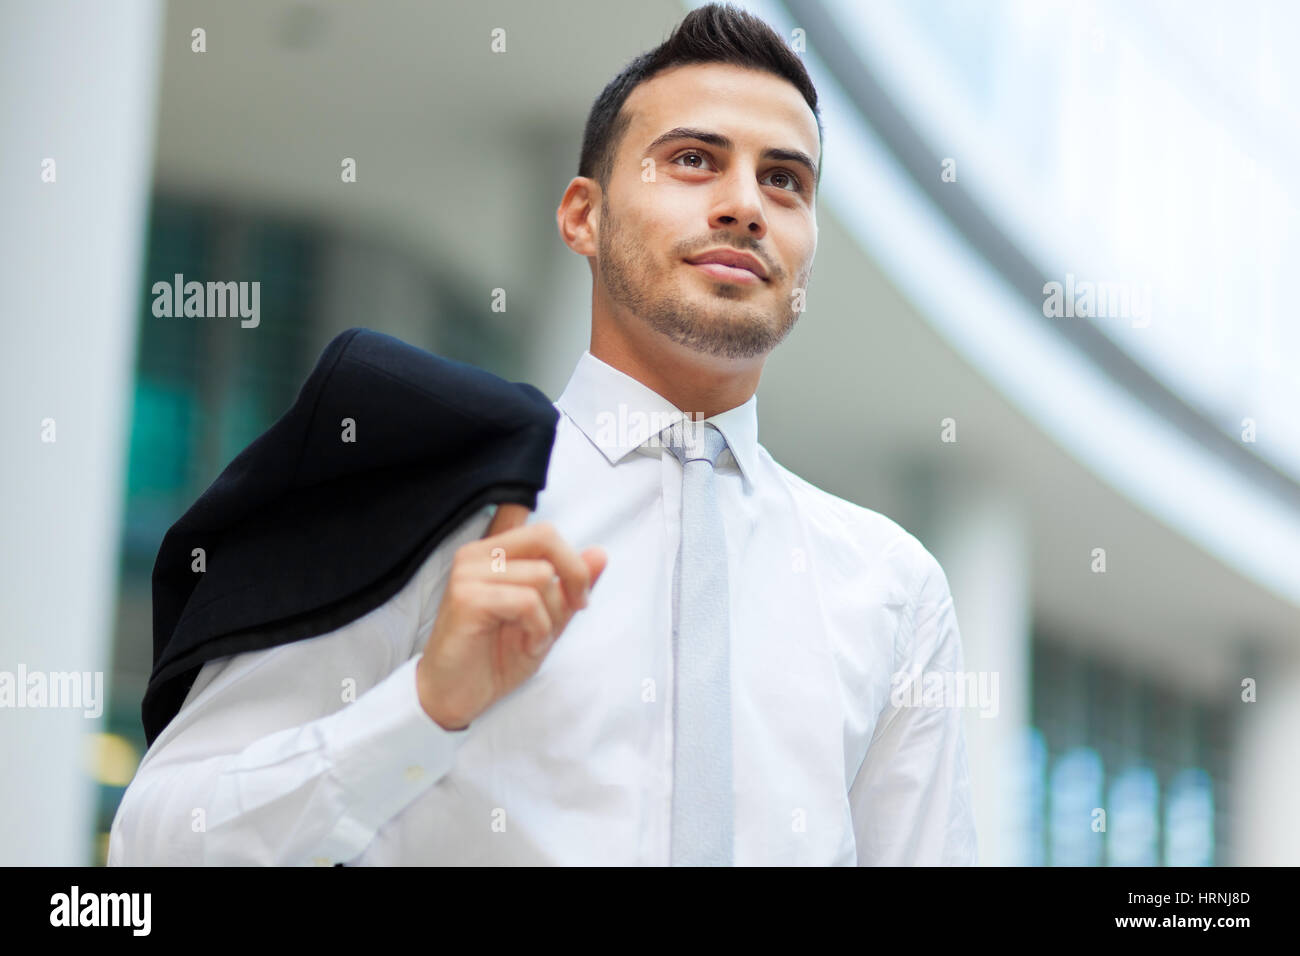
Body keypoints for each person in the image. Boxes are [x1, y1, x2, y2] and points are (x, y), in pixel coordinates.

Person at [109, 2, 977, 866]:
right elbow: (159, 847)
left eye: (785, 180)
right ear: (581, 218)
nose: (746, 205)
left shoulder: (894, 590)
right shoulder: (435, 491)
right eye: (692, 160)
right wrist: (421, 708)